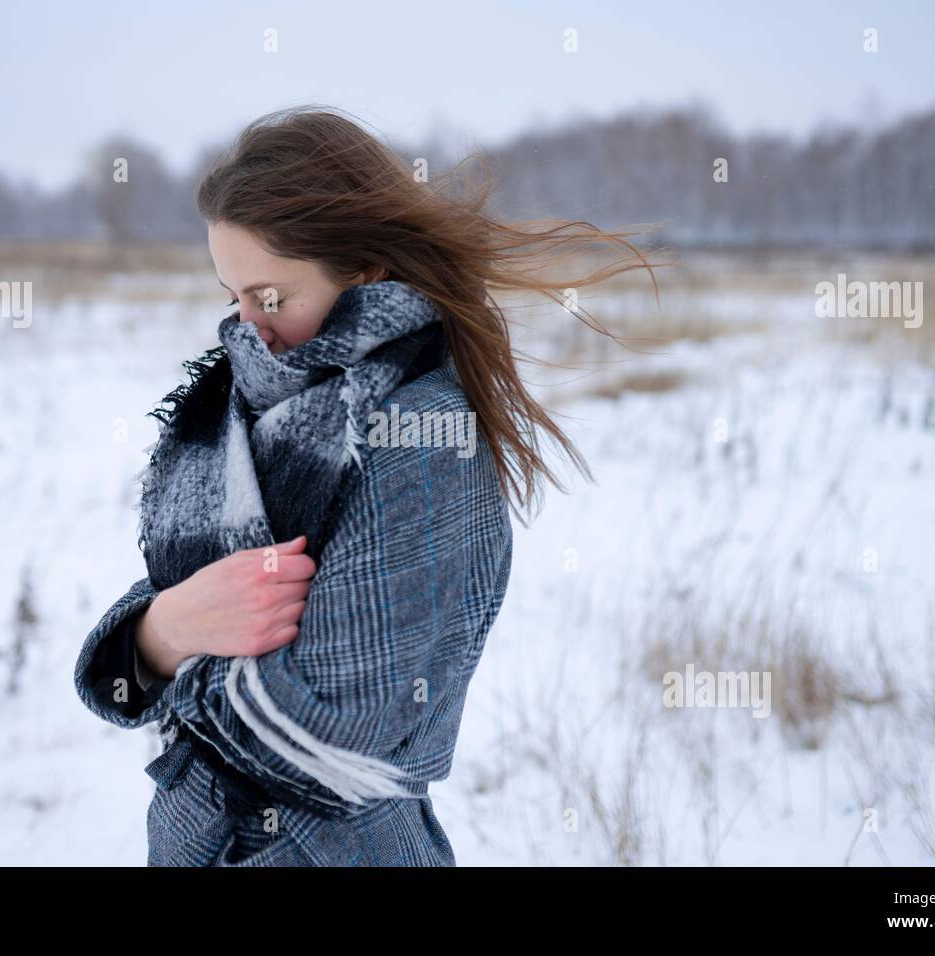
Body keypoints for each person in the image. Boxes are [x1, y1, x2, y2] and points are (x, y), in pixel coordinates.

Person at [73, 105, 659, 866]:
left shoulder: (421, 431)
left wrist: (177, 658)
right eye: (232, 297)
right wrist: (172, 626)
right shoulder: (251, 408)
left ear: (366, 270)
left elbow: (332, 728)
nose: (248, 326)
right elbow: (125, 677)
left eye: (271, 295)